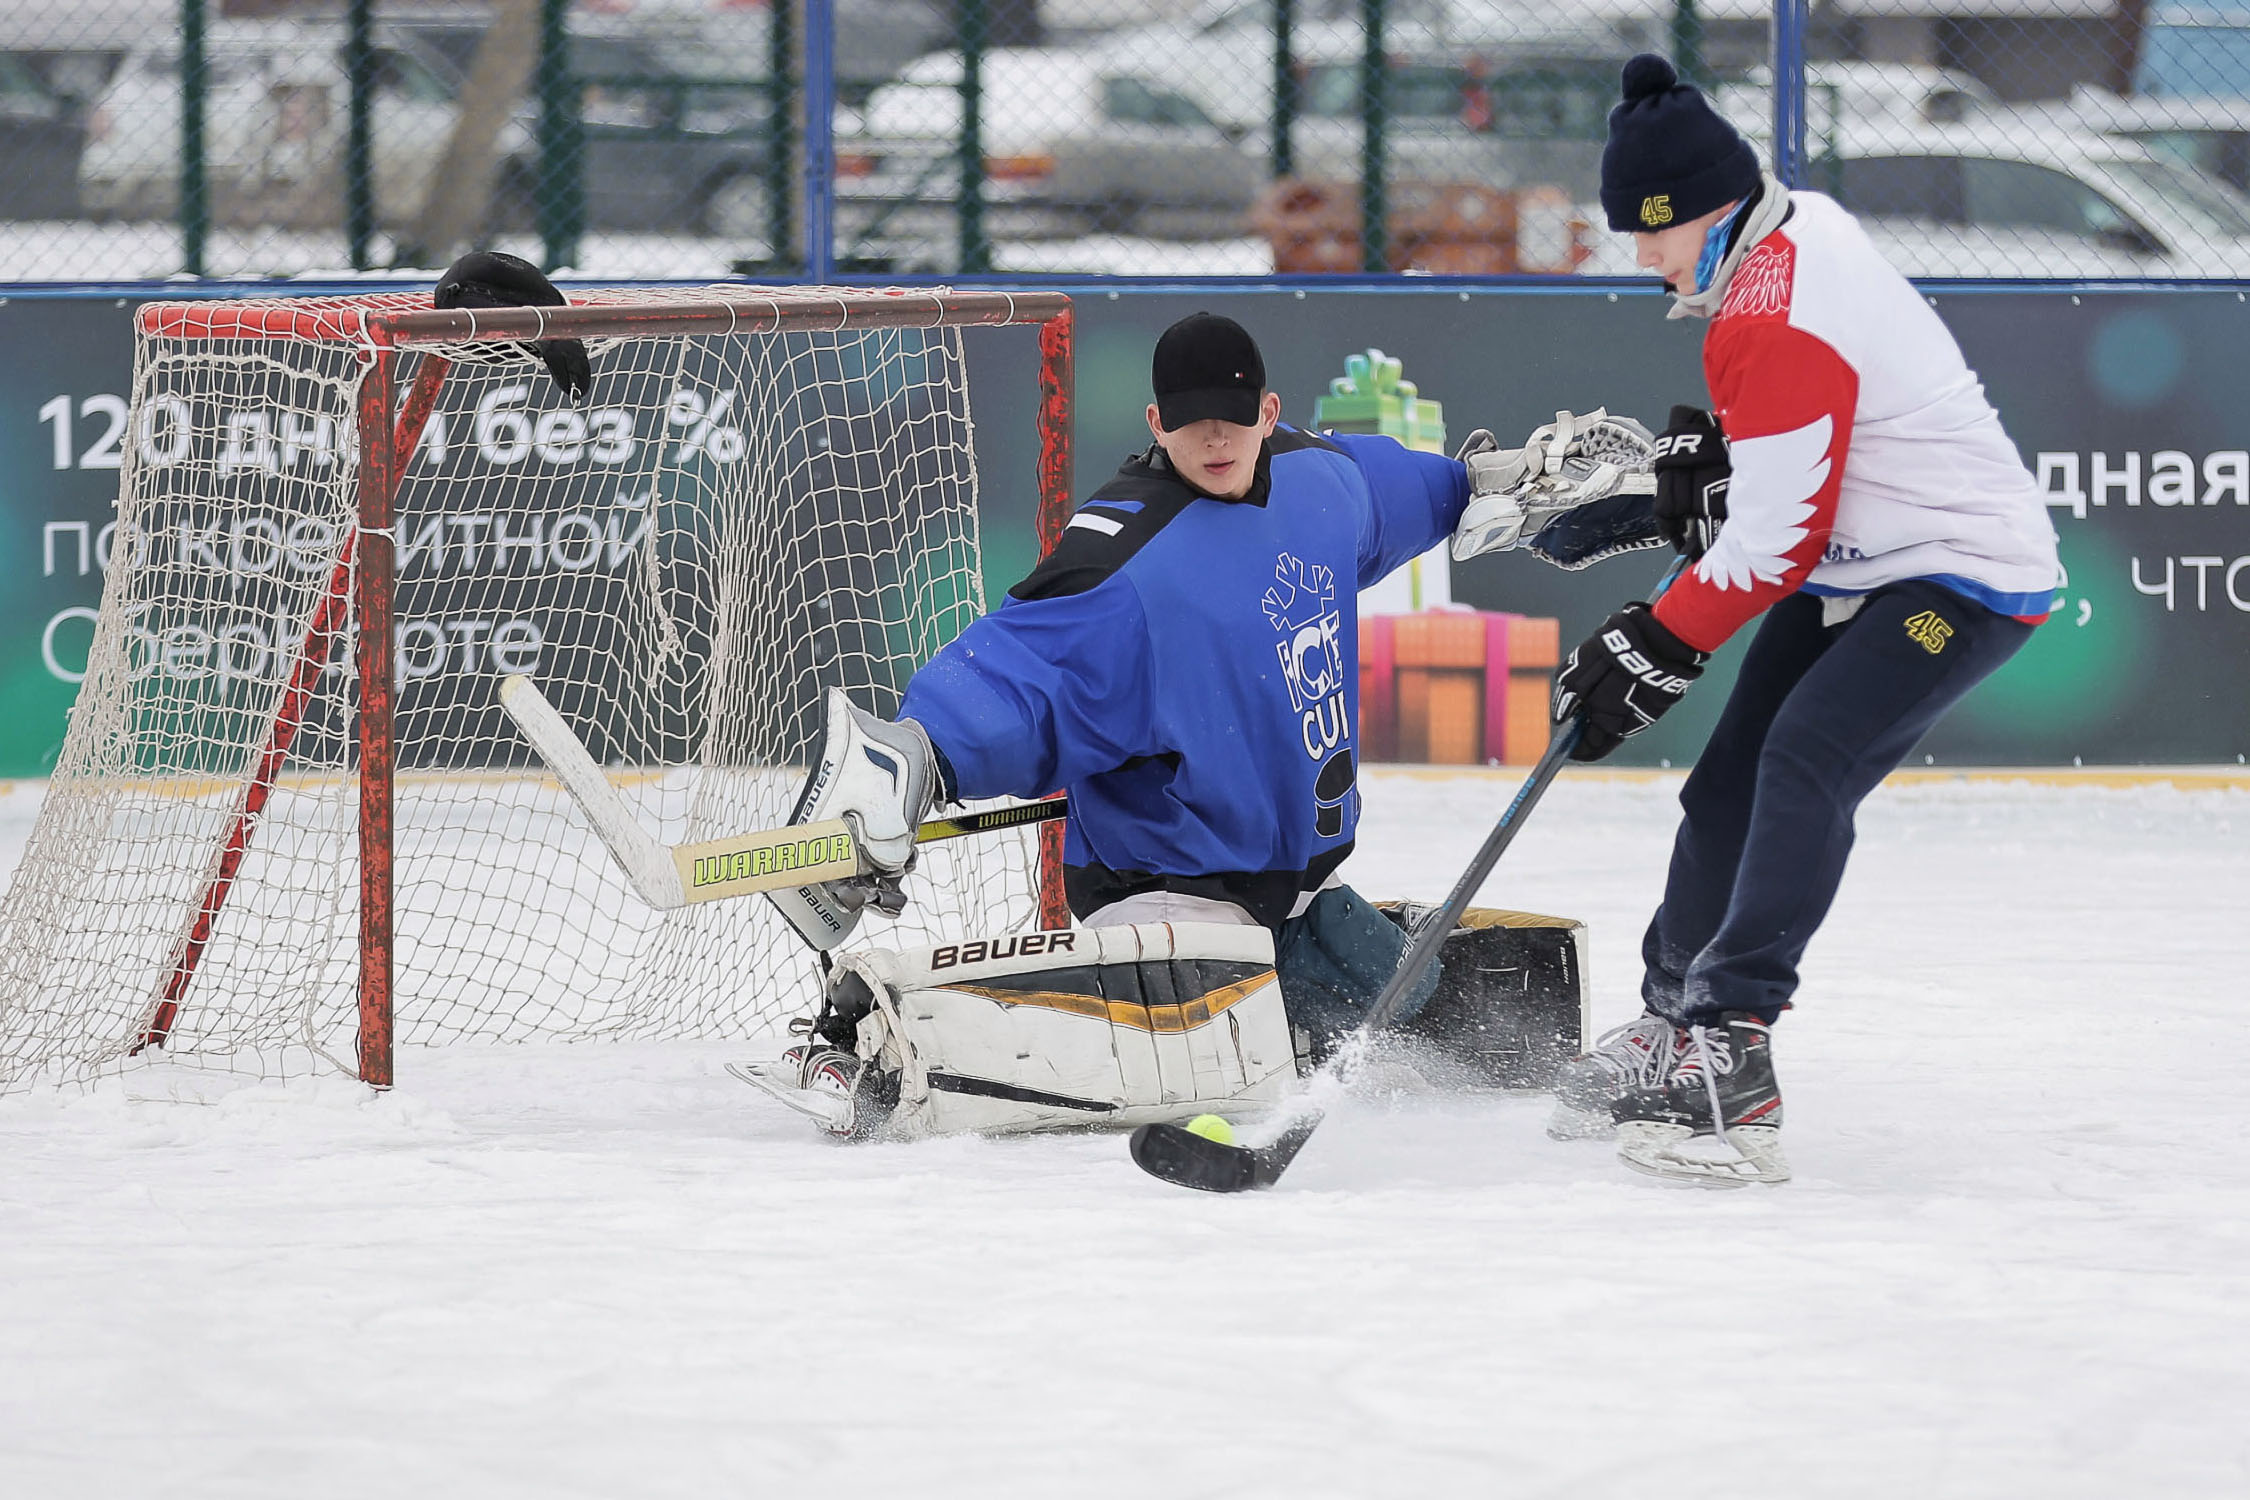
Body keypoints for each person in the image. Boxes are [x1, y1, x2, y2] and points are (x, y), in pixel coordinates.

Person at [746, 313, 1658, 1138]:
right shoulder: (1124, 562)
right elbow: (1020, 668)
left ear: (1270, 412)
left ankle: (1288, 1003)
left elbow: (1423, 491)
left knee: (1437, 1018)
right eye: (1188, 421)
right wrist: (915, 757)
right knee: (1198, 1061)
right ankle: (858, 1042)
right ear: (1156, 424)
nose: (1213, 438)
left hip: (1294, 896)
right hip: (1169, 897)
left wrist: (1504, 487)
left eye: (1232, 415)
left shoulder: (1323, 482)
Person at [1544, 56, 2061, 1185]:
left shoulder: (1774, 313)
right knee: (1727, 779)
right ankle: (1672, 1021)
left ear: (1706, 209)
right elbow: (1804, 471)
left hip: (1958, 577)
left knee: (1807, 755)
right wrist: (1721, 472)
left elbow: (1777, 543)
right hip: (1858, 566)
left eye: (1650, 231)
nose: (1642, 255)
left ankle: (1732, 1044)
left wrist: (1656, 641)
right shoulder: (1790, 230)